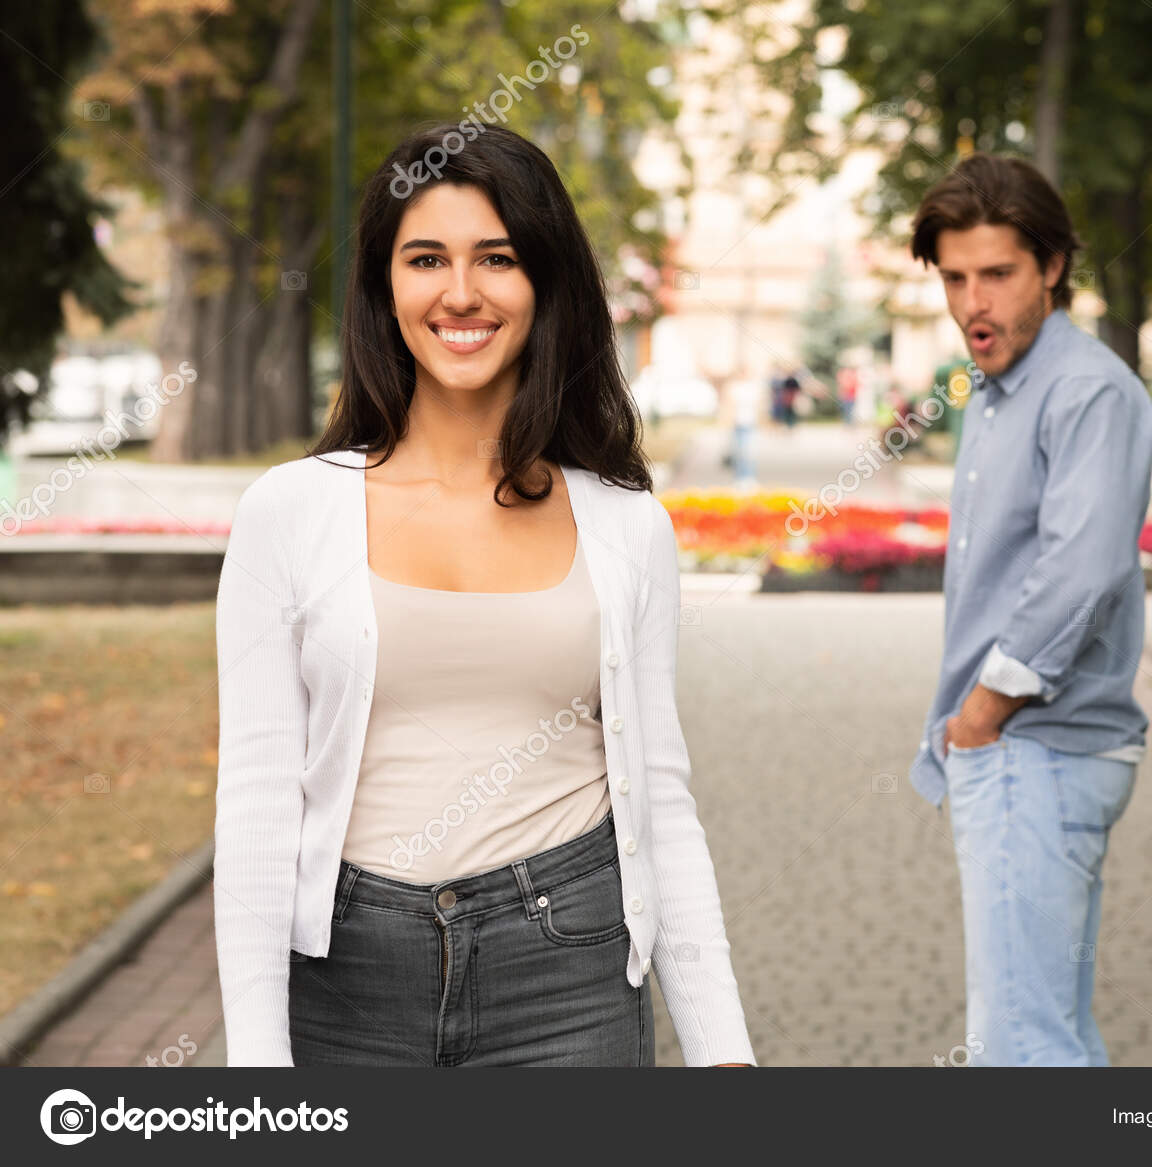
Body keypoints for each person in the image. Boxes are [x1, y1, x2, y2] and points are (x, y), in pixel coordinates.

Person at [213, 124, 755, 1068]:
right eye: (426, 258)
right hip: (345, 981)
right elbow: (259, 800)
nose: (460, 293)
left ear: (545, 282)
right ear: (385, 285)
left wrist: (726, 1055)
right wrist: (257, 1069)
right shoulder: (288, 514)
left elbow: (661, 799)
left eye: (496, 258)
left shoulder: (626, 525)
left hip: (569, 973)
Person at [907, 154, 1152, 1066]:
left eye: (998, 274)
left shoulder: (1086, 389)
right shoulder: (998, 390)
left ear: (1052, 267)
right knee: (1051, 1034)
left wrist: (981, 714)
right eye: (954, 278)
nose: (974, 303)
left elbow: (1083, 571)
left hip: (1035, 746)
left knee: (1020, 1047)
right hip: (1023, 751)